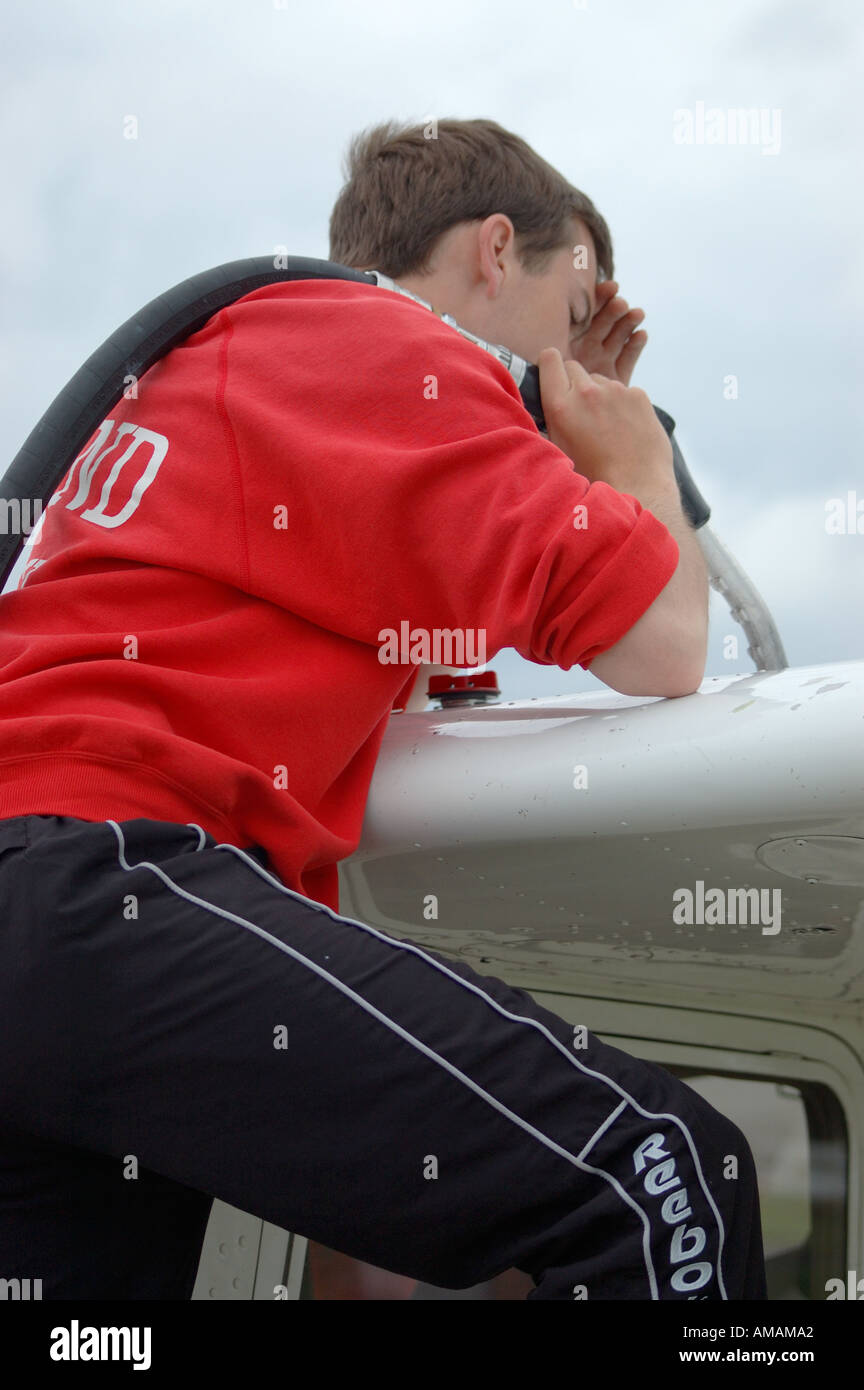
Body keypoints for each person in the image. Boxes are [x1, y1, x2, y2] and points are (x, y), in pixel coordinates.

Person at [0, 117, 767, 1301]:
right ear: (495, 250)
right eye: (572, 325)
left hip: (43, 916)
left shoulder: (226, 353)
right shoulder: (393, 349)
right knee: (665, 1172)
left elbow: (393, 631)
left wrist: (548, 437)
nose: (562, 379)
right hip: (104, 879)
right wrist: (631, 458)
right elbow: (663, 645)